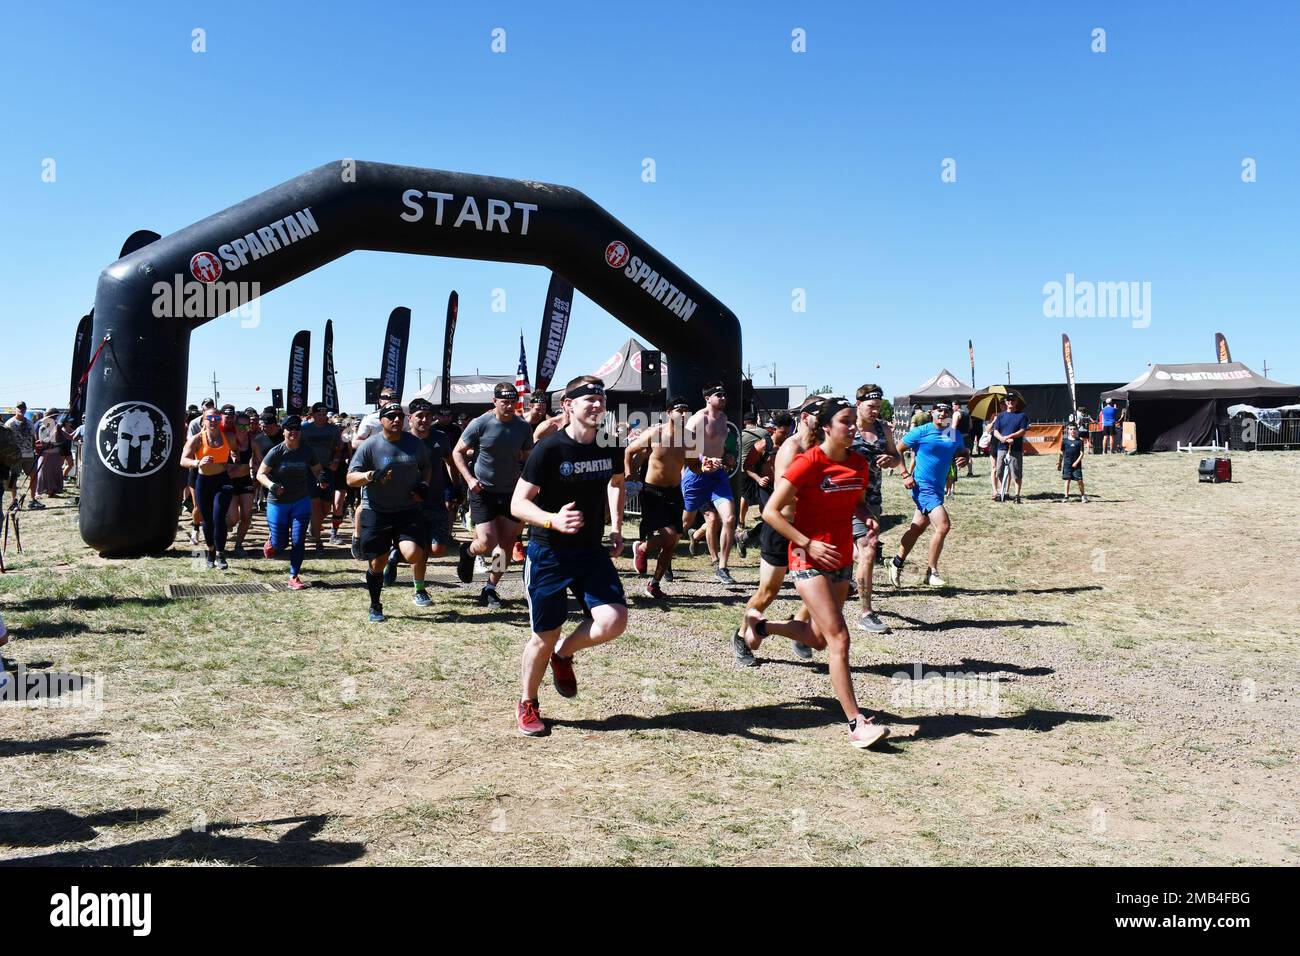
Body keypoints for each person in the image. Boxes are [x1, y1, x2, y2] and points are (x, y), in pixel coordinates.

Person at [740, 398, 889, 750]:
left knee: (819, 639)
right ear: (826, 426)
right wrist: (807, 543)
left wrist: (866, 513)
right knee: (840, 639)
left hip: (841, 558)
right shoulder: (808, 462)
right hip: (807, 559)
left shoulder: (858, 464)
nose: (853, 427)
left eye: (854, 421)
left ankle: (762, 625)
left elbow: (854, 500)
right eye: (845, 421)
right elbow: (772, 512)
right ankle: (856, 723)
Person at [510, 375, 627, 737]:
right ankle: (528, 702)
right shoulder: (549, 449)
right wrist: (552, 519)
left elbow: (616, 482)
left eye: (600, 399)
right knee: (543, 635)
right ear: (568, 405)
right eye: (587, 398)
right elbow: (518, 503)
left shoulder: (610, 445)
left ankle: (564, 653)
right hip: (549, 553)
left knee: (614, 620)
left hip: (590, 550)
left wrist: (616, 525)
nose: (596, 404)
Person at [732, 399, 821, 667]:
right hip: (781, 528)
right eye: (822, 416)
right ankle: (739, 636)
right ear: (806, 417)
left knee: (821, 586)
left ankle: (799, 629)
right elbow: (788, 495)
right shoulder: (789, 449)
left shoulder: (823, 448)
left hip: (810, 529)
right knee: (768, 592)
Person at [347, 402, 433, 622]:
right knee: (377, 565)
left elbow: (427, 467)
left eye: (399, 417)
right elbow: (350, 478)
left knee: (414, 553)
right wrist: (371, 476)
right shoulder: (370, 446)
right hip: (377, 512)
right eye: (391, 416)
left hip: (407, 510)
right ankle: (375, 605)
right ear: (382, 421)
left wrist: (423, 485)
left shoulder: (414, 444)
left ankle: (396, 555)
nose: (396, 420)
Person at [453, 382, 534, 608]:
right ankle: (468, 552)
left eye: (512, 402)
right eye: (504, 402)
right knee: (487, 542)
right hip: (483, 490)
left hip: (510, 491)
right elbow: (457, 452)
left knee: (507, 543)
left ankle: (490, 588)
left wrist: (526, 476)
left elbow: (529, 455)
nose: (508, 407)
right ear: (495, 401)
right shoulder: (480, 423)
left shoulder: (522, 427)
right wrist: (469, 479)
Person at [382, 398, 455, 601]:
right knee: (419, 548)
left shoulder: (441, 438)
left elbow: (450, 462)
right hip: (409, 503)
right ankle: (419, 589)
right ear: (410, 418)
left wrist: (455, 486)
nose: (424, 420)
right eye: (419, 416)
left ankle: (396, 553)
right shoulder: (401, 440)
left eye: (428, 416)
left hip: (436, 500)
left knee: (438, 549)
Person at [889, 404, 969, 587]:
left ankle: (895, 562)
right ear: (931, 413)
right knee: (943, 525)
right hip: (922, 486)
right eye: (938, 411)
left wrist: (965, 457)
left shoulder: (952, 434)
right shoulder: (921, 431)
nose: (942, 414)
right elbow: (897, 450)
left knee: (917, 528)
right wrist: (904, 474)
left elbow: (963, 452)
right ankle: (931, 572)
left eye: (946, 412)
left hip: (938, 488)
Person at [625, 396, 691, 599]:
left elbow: (694, 464)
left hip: (674, 491)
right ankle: (642, 547)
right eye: (679, 410)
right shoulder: (655, 433)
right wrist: (630, 475)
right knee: (669, 534)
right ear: (669, 413)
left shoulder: (689, 438)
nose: (683, 415)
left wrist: (708, 465)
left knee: (672, 542)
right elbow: (629, 450)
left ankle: (654, 584)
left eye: (686, 411)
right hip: (653, 492)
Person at [850, 385, 900, 634]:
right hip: (843, 497)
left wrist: (892, 460)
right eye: (871, 406)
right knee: (861, 551)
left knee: (866, 550)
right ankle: (862, 605)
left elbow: (896, 455)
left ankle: (866, 612)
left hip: (871, 499)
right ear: (858, 403)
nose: (875, 411)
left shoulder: (884, 428)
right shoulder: (846, 427)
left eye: (878, 407)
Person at [257, 415, 326, 589]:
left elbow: (317, 469)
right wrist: (272, 486)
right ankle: (272, 541)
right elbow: (260, 474)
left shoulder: (307, 451)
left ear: (300, 432)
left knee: (298, 539)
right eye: (289, 429)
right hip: (278, 502)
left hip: (301, 500)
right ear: (284, 432)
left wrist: (321, 478)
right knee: (281, 544)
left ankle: (293, 576)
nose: (293, 432)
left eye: (296, 429)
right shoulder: (277, 452)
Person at [682, 383, 738, 585]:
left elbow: (721, 446)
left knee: (729, 518)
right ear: (707, 398)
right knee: (685, 523)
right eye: (718, 395)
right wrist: (702, 458)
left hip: (718, 475)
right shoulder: (698, 418)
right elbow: (685, 445)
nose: (723, 398)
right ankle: (667, 556)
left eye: (724, 394)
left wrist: (728, 456)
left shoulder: (723, 418)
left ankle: (722, 567)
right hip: (696, 474)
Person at [179, 408, 236, 569]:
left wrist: (233, 460)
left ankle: (220, 554)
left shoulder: (229, 437)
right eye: (209, 417)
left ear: (220, 419)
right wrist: (198, 463)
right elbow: (183, 460)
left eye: (216, 417)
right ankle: (210, 551)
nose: (213, 420)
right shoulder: (197, 439)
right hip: (203, 481)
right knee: (208, 520)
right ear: (203, 421)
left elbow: (236, 451)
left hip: (223, 481)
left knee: (219, 517)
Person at [738, 412, 791, 558]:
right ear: (775, 429)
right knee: (771, 519)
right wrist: (758, 479)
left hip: (782, 487)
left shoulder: (789, 445)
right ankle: (772, 555)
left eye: (787, 432)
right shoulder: (762, 445)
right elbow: (747, 467)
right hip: (765, 487)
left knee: (783, 519)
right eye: (782, 432)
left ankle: (746, 537)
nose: (784, 435)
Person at [300, 402, 344, 549]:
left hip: (328, 470)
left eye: (324, 415)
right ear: (312, 415)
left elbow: (338, 449)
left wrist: (336, 461)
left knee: (326, 508)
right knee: (315, 506)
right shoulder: (304, 429)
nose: (322, 417)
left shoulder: (333, 429)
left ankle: (313, 524)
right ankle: (318, 542)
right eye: (319, 415)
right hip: (310, 471)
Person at [224, 412, 256, 555]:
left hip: (245, 482)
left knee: (246, 515)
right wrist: (230, 467)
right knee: (232, 518)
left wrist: (255, 468)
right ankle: (220, 530)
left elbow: (261, 460)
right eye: (240, 424)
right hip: (229, 481)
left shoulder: (252, 441)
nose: (243, 428)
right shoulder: (228, 438)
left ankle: (238, 545)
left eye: (246, 425)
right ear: (234, 425)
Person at [992, 395, 1028, 503]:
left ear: (1016, 402)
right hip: (1002, 448)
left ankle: (1017, 495)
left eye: (1012, 400)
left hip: (1015, 448)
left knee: (1016, 473)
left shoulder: (1022, 415)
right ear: (1005, 402)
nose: (1010, 402)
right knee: (999, 471)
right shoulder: (1000, 416)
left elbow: (1022, 431)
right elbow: (995, 431)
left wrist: (1009, 436)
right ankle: (1002, 492)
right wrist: (1003, 438)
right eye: (1008, 400)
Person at [5, 402, 40, 509]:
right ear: (15, 409)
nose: (21, 410)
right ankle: (14, 500)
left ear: (25, 409)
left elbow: (34, 438)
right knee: (13, 478)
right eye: (19, 408)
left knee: (34, 476)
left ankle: (33, 499)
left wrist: (36, 448)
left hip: (29, 455)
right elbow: (5, 439)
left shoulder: (29, 423)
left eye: (23, 408)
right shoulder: (9, 423)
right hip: (15, 456)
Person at [36, 409, 64, 498]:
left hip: (55, 453)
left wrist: (58, 432)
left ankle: (52, 491)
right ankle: (39, 491)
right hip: (46, 453)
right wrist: (53, 436)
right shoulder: (43, 427)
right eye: (53, 417)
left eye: (55, 417)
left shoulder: (57, 426)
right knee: (44, 473)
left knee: (55, 472)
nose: (54, 418)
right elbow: (43, 442)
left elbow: (61, 440)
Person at [1060, 423, 1088, 502]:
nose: (1073, 431)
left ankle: (1083, 496)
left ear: (1077, 430)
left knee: (1080, 480)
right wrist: (1059, 463)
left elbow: (1082, 453)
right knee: (1067, 480)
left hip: (1077, 465)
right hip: (1067, 464)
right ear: (1067, 430)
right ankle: (1066, 496)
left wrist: (1076, 462)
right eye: (1071, 429)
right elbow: (1062, 452)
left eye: (1074, 429)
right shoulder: (1065, 441)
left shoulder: (1079, 441)